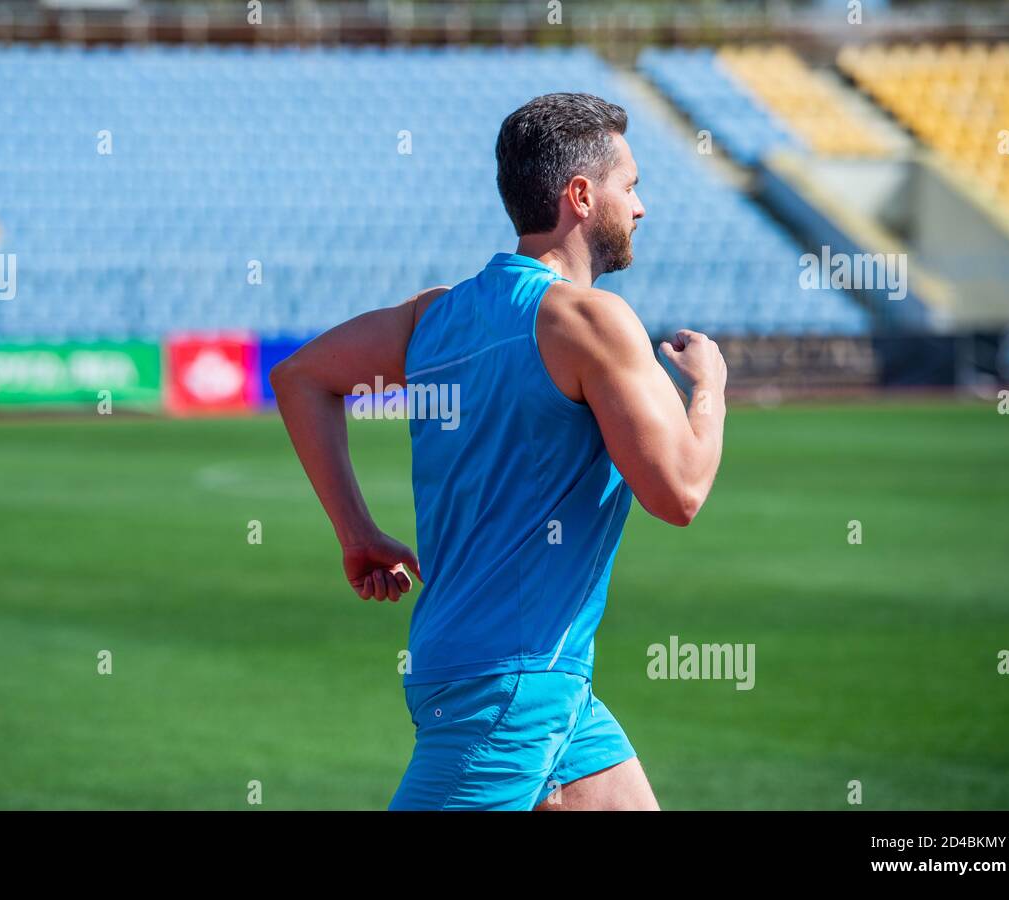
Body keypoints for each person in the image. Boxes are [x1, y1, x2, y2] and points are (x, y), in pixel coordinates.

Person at [271, 92, 727, 810]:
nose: (641, 208)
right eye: (631, 187)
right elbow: (680, 493)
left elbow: (300, 378)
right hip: (509, 687)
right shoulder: (591, 321)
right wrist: (711, 389)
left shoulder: (436, 316)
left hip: (531, 673)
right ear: (581, 195)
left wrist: (355, 533)